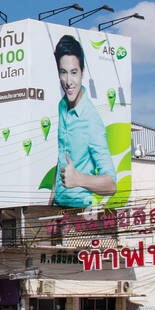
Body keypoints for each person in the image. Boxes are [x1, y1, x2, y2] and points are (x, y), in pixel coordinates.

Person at [50, 35, 116, 207]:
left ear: (82, 72)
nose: (68, 82)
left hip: (82, 213)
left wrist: (78, 179)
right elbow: (62, 159)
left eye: (74, 72)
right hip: (57, 209)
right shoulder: (61, 106)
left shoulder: (91, 120)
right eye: (63, 72)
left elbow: (111, 184)